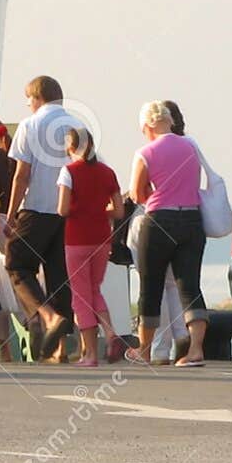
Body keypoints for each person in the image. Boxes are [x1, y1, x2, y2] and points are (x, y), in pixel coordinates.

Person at [125, 100, 209, 367]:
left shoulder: (145, 152)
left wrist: (154, 194)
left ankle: (145, 350)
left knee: (151, 287)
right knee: (190, 286)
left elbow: (136, 193)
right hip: (192, 220)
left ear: (148, 125)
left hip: (159, 221)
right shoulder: (190, 147)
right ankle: (195, 349)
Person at [6, 76, 80, 359]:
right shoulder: (77, 126)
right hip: (68, 211)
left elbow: (22, 175)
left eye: (28, 99)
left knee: (17, 264)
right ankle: (60, 348)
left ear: (37, 98)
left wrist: (11, 214)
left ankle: (48, 317)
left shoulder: (30, 124)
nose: (27, 104)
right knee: (60, 275)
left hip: (36, 207)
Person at [55, 126, 124, 367]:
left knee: (80, 297)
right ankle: (111, 335)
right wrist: (99, 210)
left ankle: (91, 354)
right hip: (102, 238)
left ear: (71, 147)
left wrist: (81, 208)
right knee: (94, 290)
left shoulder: (69, 171)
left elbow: (62, 209)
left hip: (77, 239)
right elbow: (119, 211)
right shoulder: (108, 172)